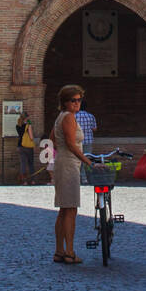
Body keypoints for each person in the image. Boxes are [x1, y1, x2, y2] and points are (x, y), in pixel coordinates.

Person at [51, 85, 93, 264]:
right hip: (68, 165)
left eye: (79, 100)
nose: (77, 103)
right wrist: (87, 161)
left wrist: (61, 151)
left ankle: (60, 251)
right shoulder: (68, 117)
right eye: (73, 100)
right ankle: (69, 252)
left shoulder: (61, 117)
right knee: (71, 210)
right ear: (65, 102)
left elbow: (53, 137)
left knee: (64, 209)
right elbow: (70, 143)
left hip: (63, 162)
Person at [15, 105, 37, 186]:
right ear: (26, 118)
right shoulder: (28, 125)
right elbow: (31, 137)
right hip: (28, 146)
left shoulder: (17, 126)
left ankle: (24, 181)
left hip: (20, 146)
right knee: (30, 164)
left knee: (23, 164)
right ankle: (32, 180)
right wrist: (29, 124)